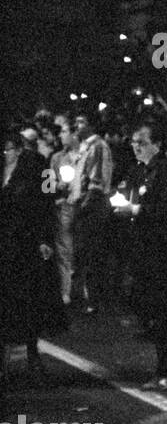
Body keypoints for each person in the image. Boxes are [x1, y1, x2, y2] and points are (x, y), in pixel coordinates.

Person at [114, 122, 167, 390]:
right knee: (149, 309)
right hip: (142, 250)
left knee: (164, 313)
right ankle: (166, 366)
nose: (136, 147)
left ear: (157, 145)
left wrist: (136, 210)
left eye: (142, 142)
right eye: (134, 142)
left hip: (160, 252)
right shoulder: (139, 170)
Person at [0, 133, 66, 387]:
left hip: (26, 242)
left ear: (18, 149)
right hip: (5, 240)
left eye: (7, 150)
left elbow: (48, 201)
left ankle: (32, 353)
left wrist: (45, 238)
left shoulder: (39, 164)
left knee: (28, 300)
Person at [71, 112, 114, 315]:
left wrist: (82, 208)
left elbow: (97, 183)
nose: (77, 125)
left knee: (91, 254)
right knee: (84, 253)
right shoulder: (85, 146)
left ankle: (93, 300)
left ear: (91, 125)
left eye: (81, 122)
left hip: (92, 207)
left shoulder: (97, 146)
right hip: (85, 205)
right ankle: (86, 296)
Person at [50, 118, 79, 305]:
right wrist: (56, 185)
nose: (61, 135)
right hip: (64, 207)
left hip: (82, 207)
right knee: (63, 249)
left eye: (64, 131)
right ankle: (65, 290)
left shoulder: (85, 156)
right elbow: (47, 185)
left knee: (79, 249)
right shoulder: (56, 157)